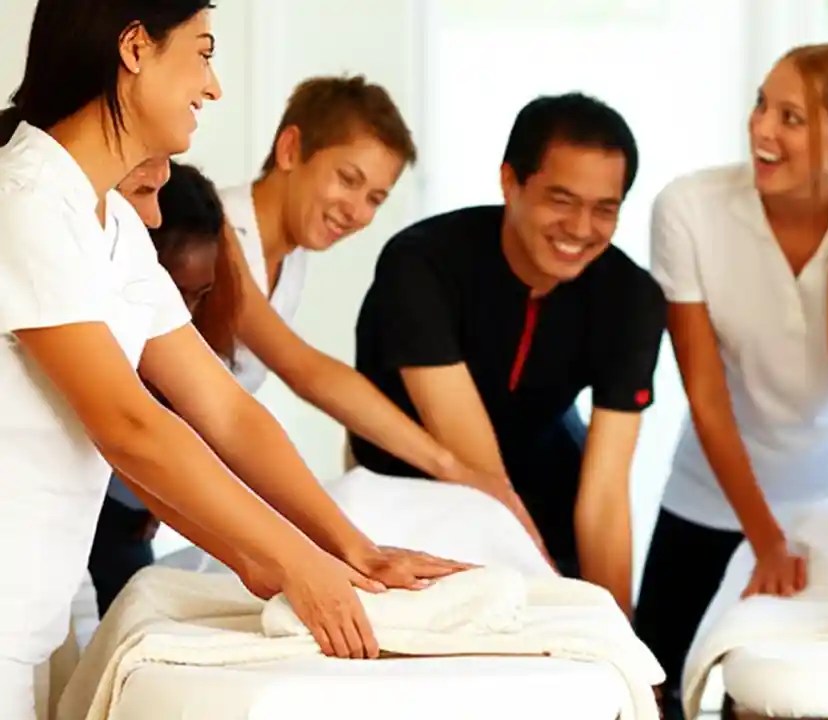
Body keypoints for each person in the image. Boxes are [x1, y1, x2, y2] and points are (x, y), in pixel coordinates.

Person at [0, 4, 463, 715]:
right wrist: (292, 560)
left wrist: (350, 549)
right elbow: (130, 426)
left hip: (29, 613)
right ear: (134, 49)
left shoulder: (113, 220)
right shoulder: (24, 199)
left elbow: (223, 406)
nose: (213, 86)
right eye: (203, 52)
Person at [633, 43, 828, 718]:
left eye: (791, 117)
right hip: (715, 481)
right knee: (651, 676)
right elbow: (706, 396)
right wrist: (765, 538)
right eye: (762, 104)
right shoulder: (689, 209)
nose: (762, 129)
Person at [352, 92, 667, 616]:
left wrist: (618, 638)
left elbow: (607, 492)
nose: (581, 228)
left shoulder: (632, 297)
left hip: (542, 469)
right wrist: (543, 578)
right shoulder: (422, 264)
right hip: (411, 480)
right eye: (561, 200)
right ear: (510, 181)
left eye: (604, 209)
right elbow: (474, 468)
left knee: (588, 623)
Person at [212, 75, 513, 523]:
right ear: (291, 149)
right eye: (348, 180)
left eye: (375, 198)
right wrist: (448, 464)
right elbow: (305, 369)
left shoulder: (292, 256)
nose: (357, 212)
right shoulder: (214, 227)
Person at [88, 161, 241, 616]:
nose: (187, 313)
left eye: (200, 295)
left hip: (129, 519)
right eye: (176, 291)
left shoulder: (184, 342)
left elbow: (228, 420)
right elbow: (133, 432)